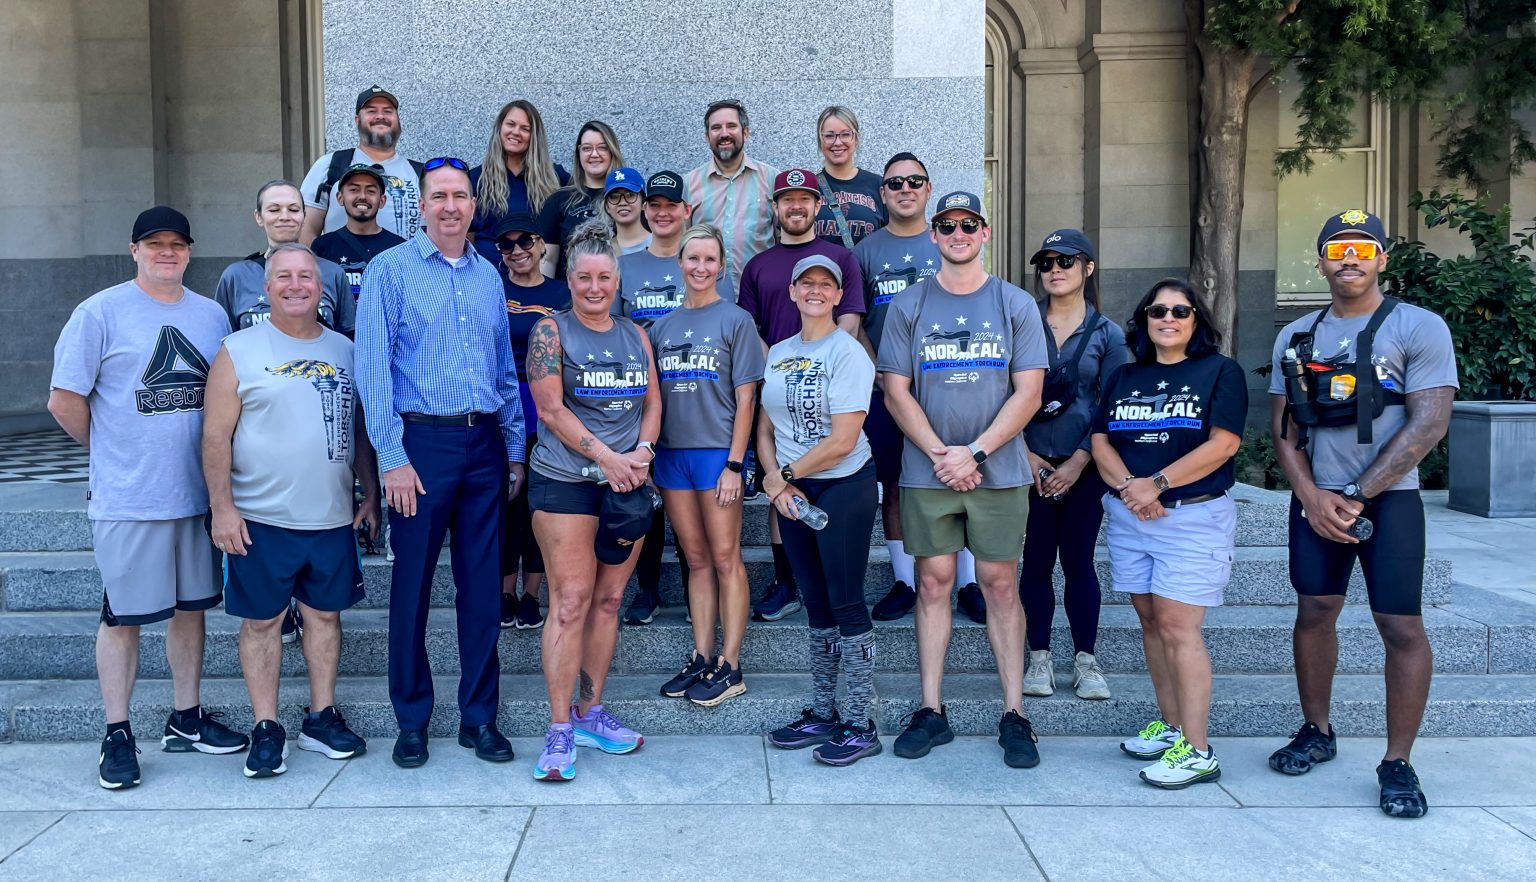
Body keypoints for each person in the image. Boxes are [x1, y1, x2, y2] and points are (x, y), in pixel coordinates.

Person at [49, 206, 249, 790]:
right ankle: (117, 732)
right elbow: (65, 399)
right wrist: (111, 449)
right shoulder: (101, 312)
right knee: (124, 616)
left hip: (197, 495)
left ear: (189, 251)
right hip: (131, 498)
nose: (168, 252)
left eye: (178, 244)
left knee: (191, 610)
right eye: (155, 243)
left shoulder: (211, 314)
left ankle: (186, 717)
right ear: (134, 249)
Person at [1265, 210, 1457, 819]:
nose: (1350, 258)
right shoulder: (1295, 336)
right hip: (1315, 500)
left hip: (1391, 501)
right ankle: (1317, 729)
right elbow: (1281, 429)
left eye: (1363, 247)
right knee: (1315, 611)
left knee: (1400, 624)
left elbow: (1429, 422)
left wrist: (1356, 493)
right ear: (1319, 261)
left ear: (1382, 260)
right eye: (1337, 248)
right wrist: (1312, 496)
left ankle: (1397, 760)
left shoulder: (1418, 327)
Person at [355, 156, 526, 770]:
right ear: (421, 204)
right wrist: (393, 459)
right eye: (439, 195)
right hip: (421, 446)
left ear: (472, 205)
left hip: (483, 447)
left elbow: (503, 368)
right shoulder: (390, 271)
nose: (451, 205)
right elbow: (371, 373)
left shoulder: (487, 275)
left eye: (460, 195)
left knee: (483, 590)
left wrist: (511, 449)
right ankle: (411, 719)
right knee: (413, 588)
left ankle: (480, 719)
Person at [876, 191, 1048, 770]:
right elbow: (895, 389)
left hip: (998, 471)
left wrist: (973, 452)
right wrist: (939, 453)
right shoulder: (908, 305)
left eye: (967, 224)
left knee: (999, 584)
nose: (957, 233)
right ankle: (931, 710)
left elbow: (1029, 391)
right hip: (928, 471)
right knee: (933, 582)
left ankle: (1015, 713)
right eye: (946, 225)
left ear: (984, 231)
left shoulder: (1016, 303)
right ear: (933, 234)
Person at [202, 243, 380, 778]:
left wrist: (369, 493)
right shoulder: (238, 349)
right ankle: (266, 727)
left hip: (329, 517)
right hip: (260, 518)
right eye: (285, 277)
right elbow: (215, 436)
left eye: (307, 276)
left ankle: (321, 717)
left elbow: (360, 433)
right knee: (263, 624)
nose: (297, 285)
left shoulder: (346, 350)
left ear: (323, 286)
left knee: (326, 616)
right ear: (266, 286)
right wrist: (222, 509)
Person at [1092, 278, 1245, 789]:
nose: (1169, 319)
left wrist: (1155, 485)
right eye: (1158, 310)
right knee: (1152, 621)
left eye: (1181, 311)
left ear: (1196, 319)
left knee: (1180, 627)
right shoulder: (1123, 376)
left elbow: (1223, 445)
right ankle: (1173, 726)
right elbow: (1099, 440)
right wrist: (1131, 491)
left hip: (1191, 517)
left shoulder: (1221, 372)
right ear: (1145, 319)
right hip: (1133, 516)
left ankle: (1198, 751)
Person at [525, 220, 660, 781]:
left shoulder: (635, 333)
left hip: (627, 484)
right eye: (584, 277)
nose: (595, 287)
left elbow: (653, 400)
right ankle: (559, 729)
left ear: (617, 279)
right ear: (570, 279)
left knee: (609, 602)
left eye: (605, 276)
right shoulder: (550, 332)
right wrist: (608, 459)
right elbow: (551, 410)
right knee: (572, 600)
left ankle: (591, 712)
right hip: (567, 482)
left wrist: (644, 452)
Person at [760, 255, 881, 765]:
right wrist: (776, 483)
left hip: (842, 485)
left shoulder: (848, 352)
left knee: (847, 601)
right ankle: (824, 711)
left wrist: (785, 477)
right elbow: (766, 428)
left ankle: (860, 722)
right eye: (805, 283)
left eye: (825, 285)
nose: (815, 291)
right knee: (815, 605)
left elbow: (843, 439)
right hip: (793, 492)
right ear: (791, 292)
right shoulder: (780, 352)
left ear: (838, 296)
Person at [738, 169, 866, 622]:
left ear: (817, 207)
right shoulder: (759, 265)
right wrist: (780, 367)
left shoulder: (840, 258)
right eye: (786, 199)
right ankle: (786, 578)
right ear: (775, 208)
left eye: (804, 199)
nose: (795, 206)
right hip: (780, 385)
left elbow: (849, 320)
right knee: (781, 488)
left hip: (829, 391)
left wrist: (820, 364)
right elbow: (749, 329)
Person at [648, 224, 765, 705]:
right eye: (692, 259)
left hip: (719, 455)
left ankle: (730, 664)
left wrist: (735, 465)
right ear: (680, 263)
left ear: (722, 266)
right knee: (694, 559)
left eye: (709, 260)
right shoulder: (661, 328)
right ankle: (701, 656)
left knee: (723, 557)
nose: (700, 267)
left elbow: (747, 401)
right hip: (674, 456)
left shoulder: (736, 320)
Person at [1018, 230, 1128, 702]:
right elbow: (1003, 394)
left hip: (1084, 469)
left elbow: (1115, 402)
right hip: (1026, 466)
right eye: (1046, 262)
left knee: (1079, 562)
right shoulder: (1021, 322)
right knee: (1036, 563)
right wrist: (1027, 457)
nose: (1055, 269)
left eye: (1067, 260)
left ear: (1088, 268)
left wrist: (1081, 459)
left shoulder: (1108, 332)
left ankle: (1086, 660)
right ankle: (1038, 657)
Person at [616, 170, 714, 626]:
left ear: (686, 210)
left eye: (670, 205)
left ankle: (705, 590)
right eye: (653, 204)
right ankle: (648, 587)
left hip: (698, 405)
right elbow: (613, 332)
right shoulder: (627, 265)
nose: (661, 212)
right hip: (641, 403)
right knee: (645, 494)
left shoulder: (701, 262)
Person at [856, 152, 942, 622]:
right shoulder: (866, 252)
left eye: (915, 180)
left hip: (947, 388)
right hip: (886, 391)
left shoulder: (948, 240)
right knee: (893, 485)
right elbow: (855, 321)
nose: (905, 188)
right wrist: (879, 371)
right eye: (895, 183)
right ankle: (906, 581)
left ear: (928, 189)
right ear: (883, 193)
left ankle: (966, 582)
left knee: (952, 482)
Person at [494, 213, 570, 630]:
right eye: (507, 245)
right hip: (504, 406)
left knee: (540, 505)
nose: (518, 250)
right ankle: (505, 592)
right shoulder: (492, 289)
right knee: (508, 505)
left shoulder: (561, 292)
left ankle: (531, 596)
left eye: (526, 241)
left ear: (542, 245)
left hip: (549, 408)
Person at [215, 180, 355, 336]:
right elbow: (223, 340)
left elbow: (348, 339)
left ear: (304, 217)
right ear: (259, 217)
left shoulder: (332, 273)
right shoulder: (236, 276)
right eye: (274, 210)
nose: (285, 217)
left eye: (293, 210)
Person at [300, 85, 422, 241]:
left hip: (405, 266)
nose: (380, 116)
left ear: (398, 120)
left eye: (388, 111)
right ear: (357, 121)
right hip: (341, 265)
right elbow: (306, 230)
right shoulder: (330, 165)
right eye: (371, 111)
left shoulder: (420, 173)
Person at [685, 99, 778, 292]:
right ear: (707, 136)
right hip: (707, 297)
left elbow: (783, 238)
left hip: (759, 295)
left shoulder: (771, 179)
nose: (724, 134)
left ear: (745, 132)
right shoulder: (689, 184)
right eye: (716, 128)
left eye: (731, 126)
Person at [469, 99, 571, 267]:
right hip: (488, 275)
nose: (516, 132)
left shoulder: (555, 178)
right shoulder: (476, 179)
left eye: (525, 129)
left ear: (534, 136)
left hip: (538, 278)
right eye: (511, 124)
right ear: (500, 127)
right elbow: (467, 238)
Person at [538, 120, 625, 277]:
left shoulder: (629, 198)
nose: (594, 154)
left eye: (602, 148)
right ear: (579, 153)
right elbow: (548, 260)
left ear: (613, 151)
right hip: (569, 295)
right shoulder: (558, 201)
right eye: (587, 148)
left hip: (620, 291)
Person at [312, 164, 407, 302]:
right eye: (354, 189)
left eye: (371, 191)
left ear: (382, 201)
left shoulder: (400, 248)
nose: (362, 196)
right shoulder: (323, 246)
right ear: (340, 198)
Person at [813, 106, 886, 249]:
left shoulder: (878, 185)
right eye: (829, 135)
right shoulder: (809, 187)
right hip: (819, 270)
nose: (838, 142)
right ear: (820, 141)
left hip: (865, 270)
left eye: (845, 134)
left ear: (856, 138)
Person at [601, 166, 651, 253]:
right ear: (607, 207)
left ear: (643, 203)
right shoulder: (601, 251)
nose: (622, 202)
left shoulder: (661, 243)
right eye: (614, 197)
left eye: (630, 195)